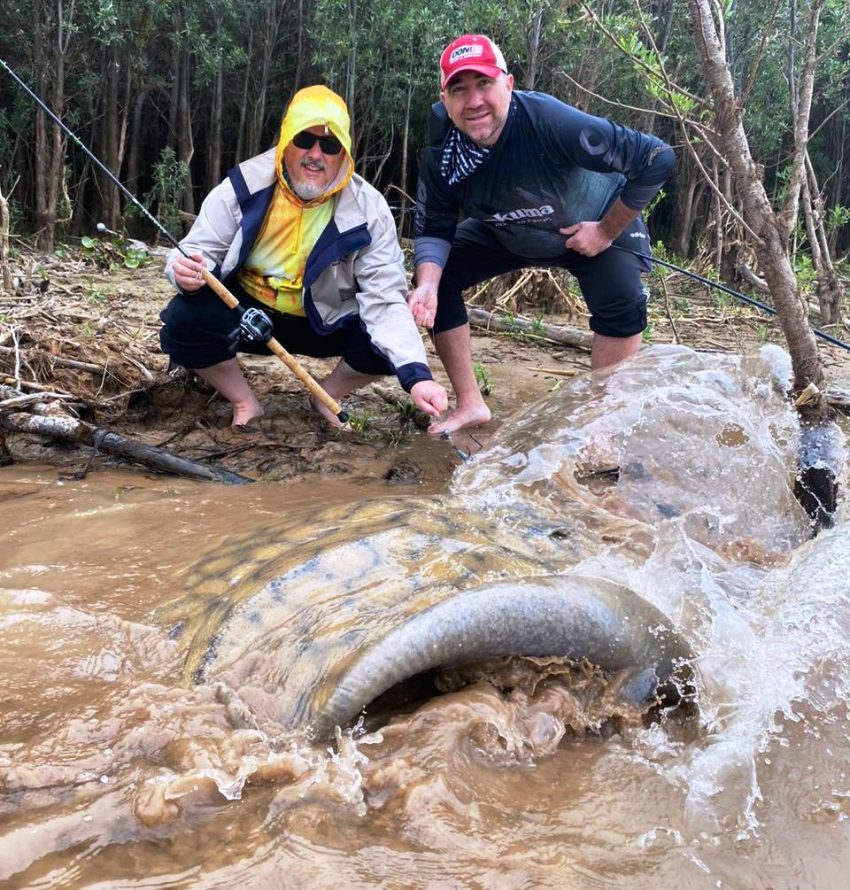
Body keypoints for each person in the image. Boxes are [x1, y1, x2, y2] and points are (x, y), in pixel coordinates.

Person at [410, 34, 676, 435]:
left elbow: (656, 158)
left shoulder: (550, 121)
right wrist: (427, 285)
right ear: (444, 99)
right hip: (504, 231)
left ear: (509, 84)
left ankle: (602, 426)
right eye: (459, 89)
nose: (474, 100)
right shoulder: (441, 153)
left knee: (622, 298)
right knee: (438, 275)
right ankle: (471, 403)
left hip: (589, 229)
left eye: (484, 83)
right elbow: (435, 226)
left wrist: (606, 231)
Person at [160, 85, 447, 428]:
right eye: (304, 140)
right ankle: (244, 400)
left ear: (343, 154)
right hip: (248, 315)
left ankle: (327, 395)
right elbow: (198, 250)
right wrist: (186, 272)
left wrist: (417, 377)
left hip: (325, 322)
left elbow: (385, 300)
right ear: (285, 142)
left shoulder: (370, 210)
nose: (315, 154)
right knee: (183, 320)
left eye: (329, 145)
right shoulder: (243, 185)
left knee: (386, 340)